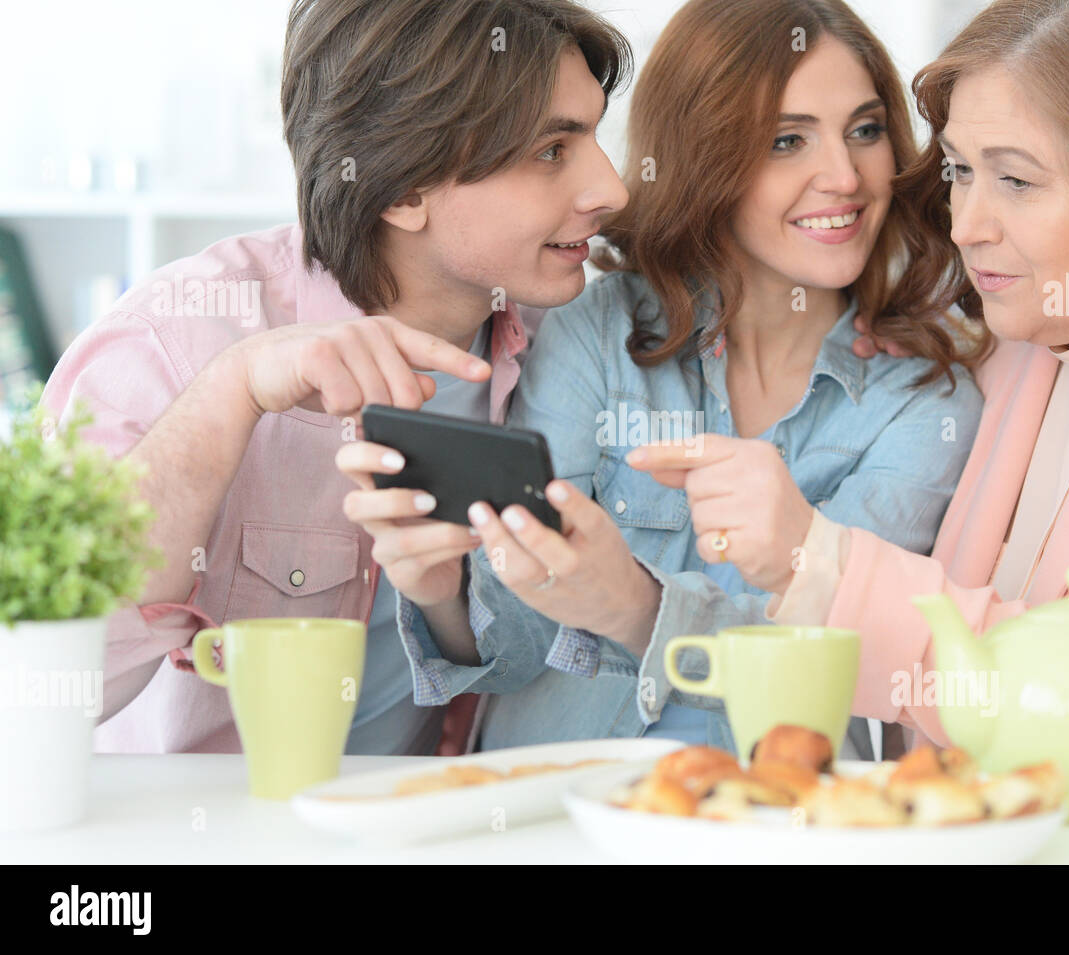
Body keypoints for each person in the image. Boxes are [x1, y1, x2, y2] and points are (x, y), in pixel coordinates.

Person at [630, 0, 1069, 765]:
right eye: (959, 172)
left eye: (1016, 179)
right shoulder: (1017, 351)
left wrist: (816, 558)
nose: (967, 224)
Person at [341, 0, 985, 755]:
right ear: (705, 154)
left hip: (774, 817)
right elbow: (512, 653)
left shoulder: (923, 400)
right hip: (555, 812)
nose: (843, 176)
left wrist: (639, 608)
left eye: (866, 130)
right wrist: (440, 591)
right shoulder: (601, 331)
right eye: (787, 141)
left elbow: (831, 667)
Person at [38, 0, 631, 754]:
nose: (610, 188)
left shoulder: (569, 353)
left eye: (594, 136)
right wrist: (235, 392)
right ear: (401, 190)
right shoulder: (173, 340)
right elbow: (44, 686)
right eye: (553, 150)